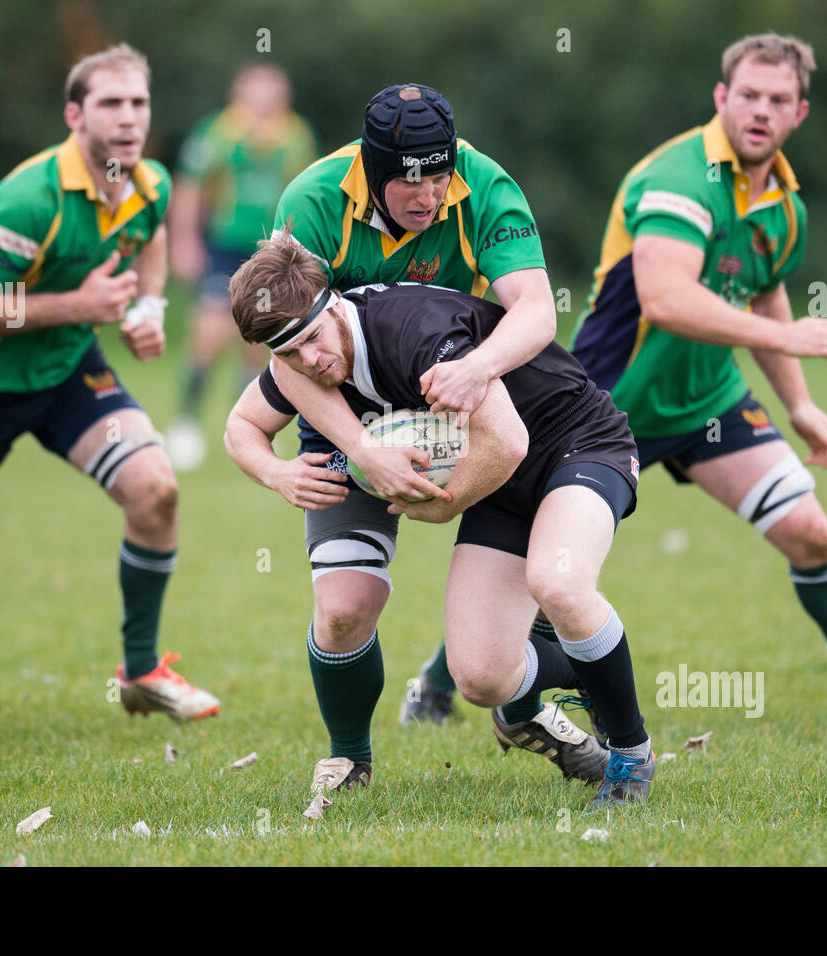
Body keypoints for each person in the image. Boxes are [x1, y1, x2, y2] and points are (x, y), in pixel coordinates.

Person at [565, 33, 827, 719]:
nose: (760, 110)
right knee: (549, 572)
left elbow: (764, 290)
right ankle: (444, 682)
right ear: (722, 98)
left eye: (778, 100)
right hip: (609, 406)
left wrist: (800, 403)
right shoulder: (681, 179)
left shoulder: (784, 204)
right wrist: (787, 337)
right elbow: (667, 299)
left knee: (811, 533)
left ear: (798, 114)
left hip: (707, 403)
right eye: (748, 95)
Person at [0, 44, 218, 723]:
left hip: (67, 371)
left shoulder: (149, 183)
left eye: (138, 103)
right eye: (111, 103)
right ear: (75, 115)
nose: (129, 118)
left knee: (156, 490)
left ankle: (141, 671)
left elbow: (155, 241)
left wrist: (147, 309)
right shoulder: (26, 198)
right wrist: (80, 307)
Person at [226, 236, 654, 806]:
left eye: (311, 341)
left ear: (332, 305)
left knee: (558, 581)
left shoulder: (413, 332)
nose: (309, 363)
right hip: (501, 481)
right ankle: (588, 670)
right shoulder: (302, 356)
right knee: (479, 676)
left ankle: (631, 757)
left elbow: (507, 439)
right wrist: (279, 474)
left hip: (575, 444)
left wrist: (444, 503)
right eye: (288, 355)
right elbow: (241, 428)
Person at [249, 84, 595, 786]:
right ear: (372, 172)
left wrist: (478, 370)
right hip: (347, 412)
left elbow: (535, 311)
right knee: (346, 609)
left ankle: (521, 700)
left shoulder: (485, 185)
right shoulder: (311, 203)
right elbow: (289, 355)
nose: (429, 196)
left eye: (439, 176)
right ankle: (350, 758)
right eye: (410, 181)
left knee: (513, 626)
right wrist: (362, 450)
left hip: (457, 404)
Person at [165, 64, 316, 471]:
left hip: (267, 253)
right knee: (209, 334)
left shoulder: (295, 136)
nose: (263, 110)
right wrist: (183, 242)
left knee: (256, 345)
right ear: (238, 99)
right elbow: (190, 189)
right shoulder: (215, 134)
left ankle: (252, 434)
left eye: (272, 102)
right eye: (256, 101)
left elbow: (302, 193)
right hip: (223, 248)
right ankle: (186, 423)